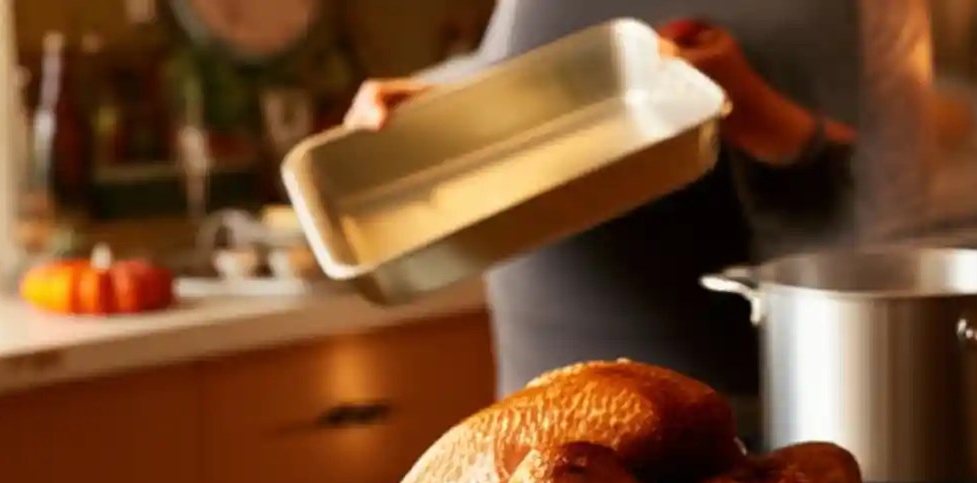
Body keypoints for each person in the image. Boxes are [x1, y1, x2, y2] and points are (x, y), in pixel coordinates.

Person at [344, 1, 861, 443]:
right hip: (534, 402)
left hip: (721, 410)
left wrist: (743, 105)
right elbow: (530, 68)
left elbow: (882, 181)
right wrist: (440, 100)